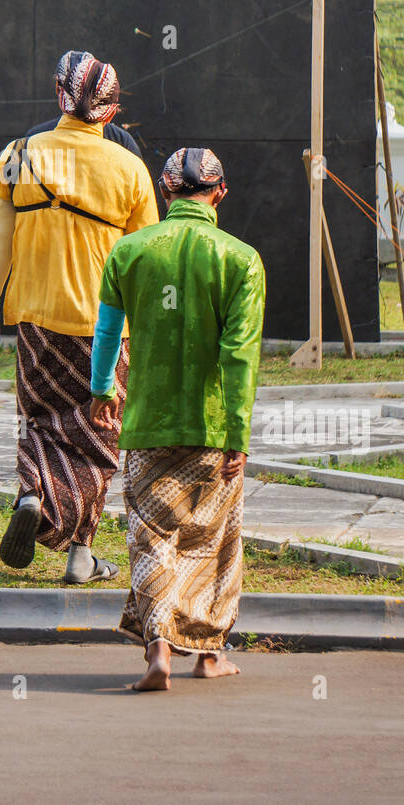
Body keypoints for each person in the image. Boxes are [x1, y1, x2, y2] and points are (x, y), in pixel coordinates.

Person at [0, 50, 159, 583]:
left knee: (37, 419)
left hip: (33, 318)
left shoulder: (17, 154)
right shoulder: (129, 168)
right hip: (104, 326)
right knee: (97, 434)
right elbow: (142, 260)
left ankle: (33, 494)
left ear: (59, 93)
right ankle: (80, 556)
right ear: (111, 109)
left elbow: (0, 243)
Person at [89, 146, 265, 690]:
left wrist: (101, 389)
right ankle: (209, 656)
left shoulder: (130, 252)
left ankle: (158, 649)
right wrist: (237, 433)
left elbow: (106, 332)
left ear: (165, 193)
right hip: (212, 430)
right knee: (213, 544)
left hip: (147, 426)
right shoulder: (241, 259)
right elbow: (239, 355)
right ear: (220, 192)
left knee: (151, 538)